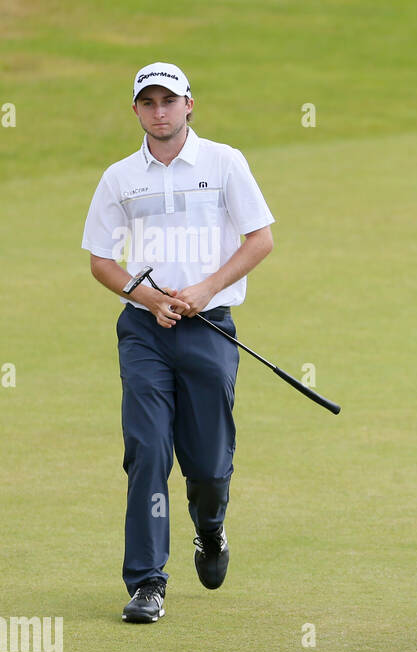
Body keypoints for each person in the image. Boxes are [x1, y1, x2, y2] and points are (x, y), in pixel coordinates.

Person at [82, 62, 275, 623]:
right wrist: (149, 300)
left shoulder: (223, 163)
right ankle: (147, 581)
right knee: (146, 451)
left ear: (190, 104)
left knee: (210, 464)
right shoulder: (120, 177)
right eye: (149, 102)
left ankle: (209, 528)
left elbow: (260, 239)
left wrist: (205, 288)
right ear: (137, 111)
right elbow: (101, 260)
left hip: (209, 326)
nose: (159, 110)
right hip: (144, 333)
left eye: (170, 100)